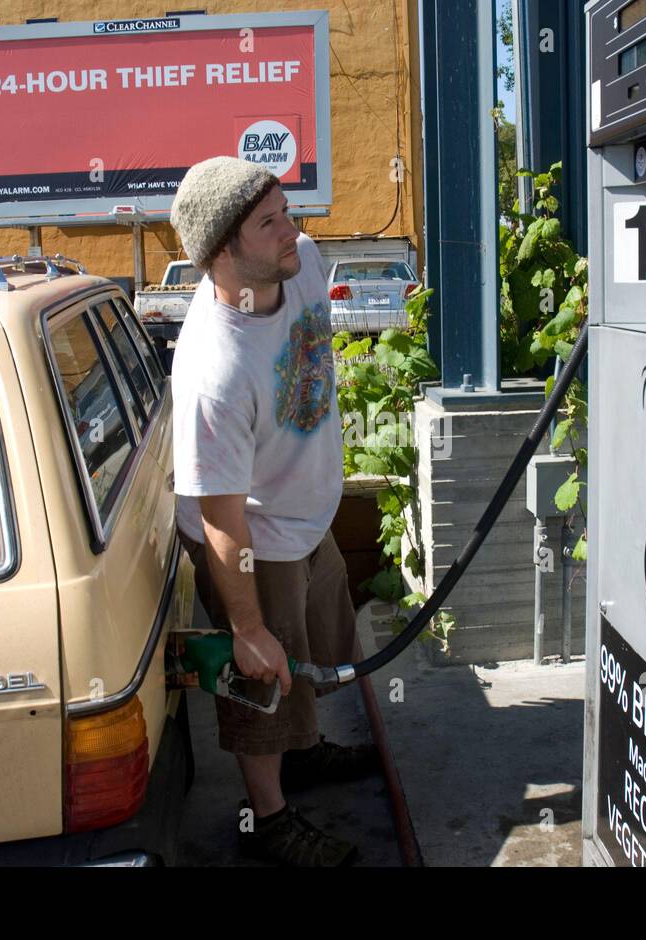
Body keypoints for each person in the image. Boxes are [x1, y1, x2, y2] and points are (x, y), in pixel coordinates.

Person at [169, 156, 378, 866]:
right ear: (223, 252)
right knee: (262, 680)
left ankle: (307, 751)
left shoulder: (301, 261)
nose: (293, 230)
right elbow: (222, 521)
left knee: (312, 656)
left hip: (304, 517)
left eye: (287, 212)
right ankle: (267, 816)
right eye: (271, 223)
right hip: (252, 540)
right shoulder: (213, 372)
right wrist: (247, 625)